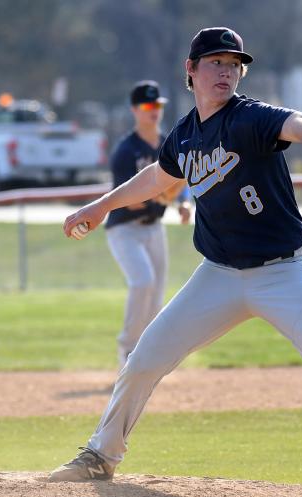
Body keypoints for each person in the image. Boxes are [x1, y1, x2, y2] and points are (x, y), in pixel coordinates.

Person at [50, 27, 302, 487]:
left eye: (233, 64)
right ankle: (100, 455)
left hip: (284, 272)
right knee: (145, 357)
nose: (226, 71)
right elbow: (157, 178)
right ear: (190, 70)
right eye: (215, 62)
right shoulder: (184, 136)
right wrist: (99, 206)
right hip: (218, 277)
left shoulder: (250, 119)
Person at [106, 80, 191, 368]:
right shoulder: (125, 151)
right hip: (124, 229)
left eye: (157, 105)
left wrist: (183, 203)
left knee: (156, 297)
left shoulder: (169, 142)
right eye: (147, 106)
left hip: (154, 228)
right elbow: (126, 200)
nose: (153, 110)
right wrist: (164, 195)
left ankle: (147, 357)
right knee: (142, 282)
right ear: (134, 110)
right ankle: (126, 351)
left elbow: (182, 182)